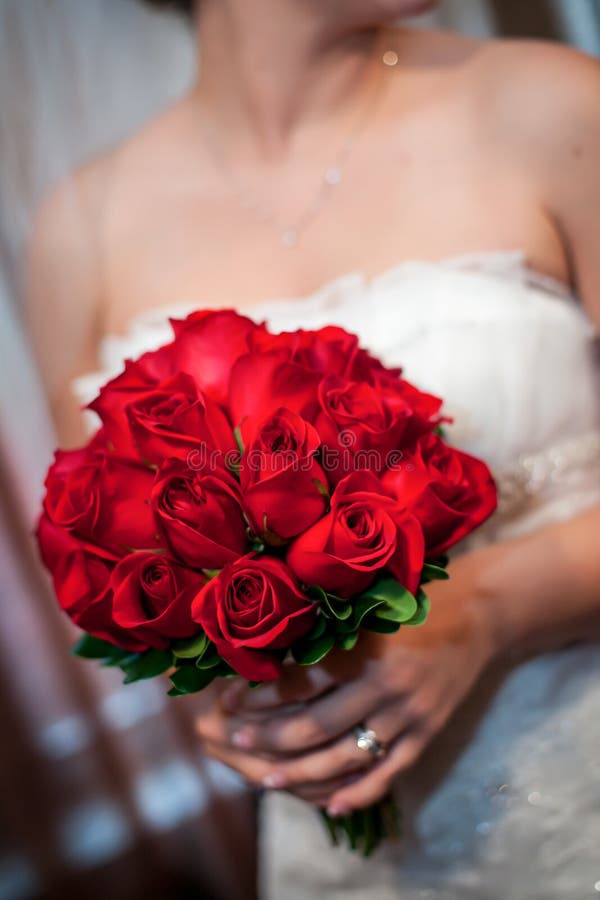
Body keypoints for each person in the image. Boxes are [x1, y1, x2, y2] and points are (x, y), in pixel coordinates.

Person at [25, 1, 600, 897]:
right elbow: (107, 563)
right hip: (338, 848)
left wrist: (489, 607)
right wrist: (234, 695)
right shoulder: (79, 232)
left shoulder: (556, 107)